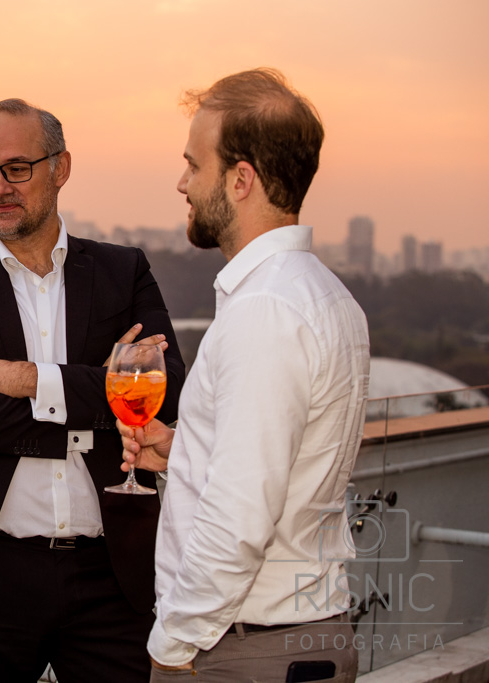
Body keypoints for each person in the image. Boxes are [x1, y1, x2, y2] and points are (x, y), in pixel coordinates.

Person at [0, 98, 185, 682]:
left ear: (60, 168)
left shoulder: (123, 271)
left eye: (17, 168)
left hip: (112, 575)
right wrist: (100, 392)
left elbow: (166, 394)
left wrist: (30, 379)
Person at [119, 69, 370, 681]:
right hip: (296, 636)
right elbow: (283, 465)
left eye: (193, 165)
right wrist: (183, 452)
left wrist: (172, 645)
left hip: (243, 651)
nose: (182, 183)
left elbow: (239, 516)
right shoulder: (327, 296)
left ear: (240, 180)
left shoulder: (265, 311)